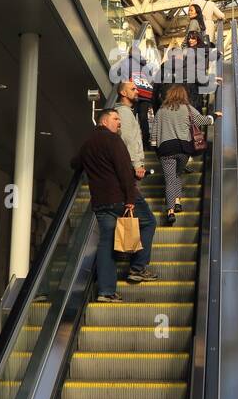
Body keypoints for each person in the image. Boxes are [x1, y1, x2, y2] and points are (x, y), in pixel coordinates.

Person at [71, 109, 157, 302]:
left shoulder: (87, 145)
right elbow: (124, 171)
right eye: (115, 118)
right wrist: (130, 199)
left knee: (106, 243)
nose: (119, 122)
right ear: (103, 121)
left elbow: (74, 163)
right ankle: (137, 267)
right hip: (120, 197)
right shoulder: (113, 140)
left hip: (100, 202)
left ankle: (106, 291)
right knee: (149, 222)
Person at [152, 84, 220, 225]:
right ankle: (177, 202)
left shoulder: (161, 111)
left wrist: (155, 149)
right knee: (176, 174)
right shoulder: (188, 109)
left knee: (170, 179)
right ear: (184, 95)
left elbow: (154, 134)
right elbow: (204, 121)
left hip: (166, 149)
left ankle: (170, 210)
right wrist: (215, 115)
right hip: (184, 149)